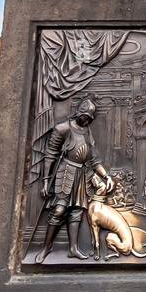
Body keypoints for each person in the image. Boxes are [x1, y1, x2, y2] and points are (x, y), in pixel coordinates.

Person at [35, 98, 112, 263]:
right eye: (85, 116)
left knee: (76, 212)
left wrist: (106, 176)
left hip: (81, 175)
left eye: (89, 118)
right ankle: (47, 247)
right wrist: (46, 181)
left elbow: (94, 160)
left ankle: (73, 248)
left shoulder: (88, 133)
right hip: (65, 172)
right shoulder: (63, 128)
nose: (86, 120)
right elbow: (50, 155)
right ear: (79, 112)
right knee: (59, 210)